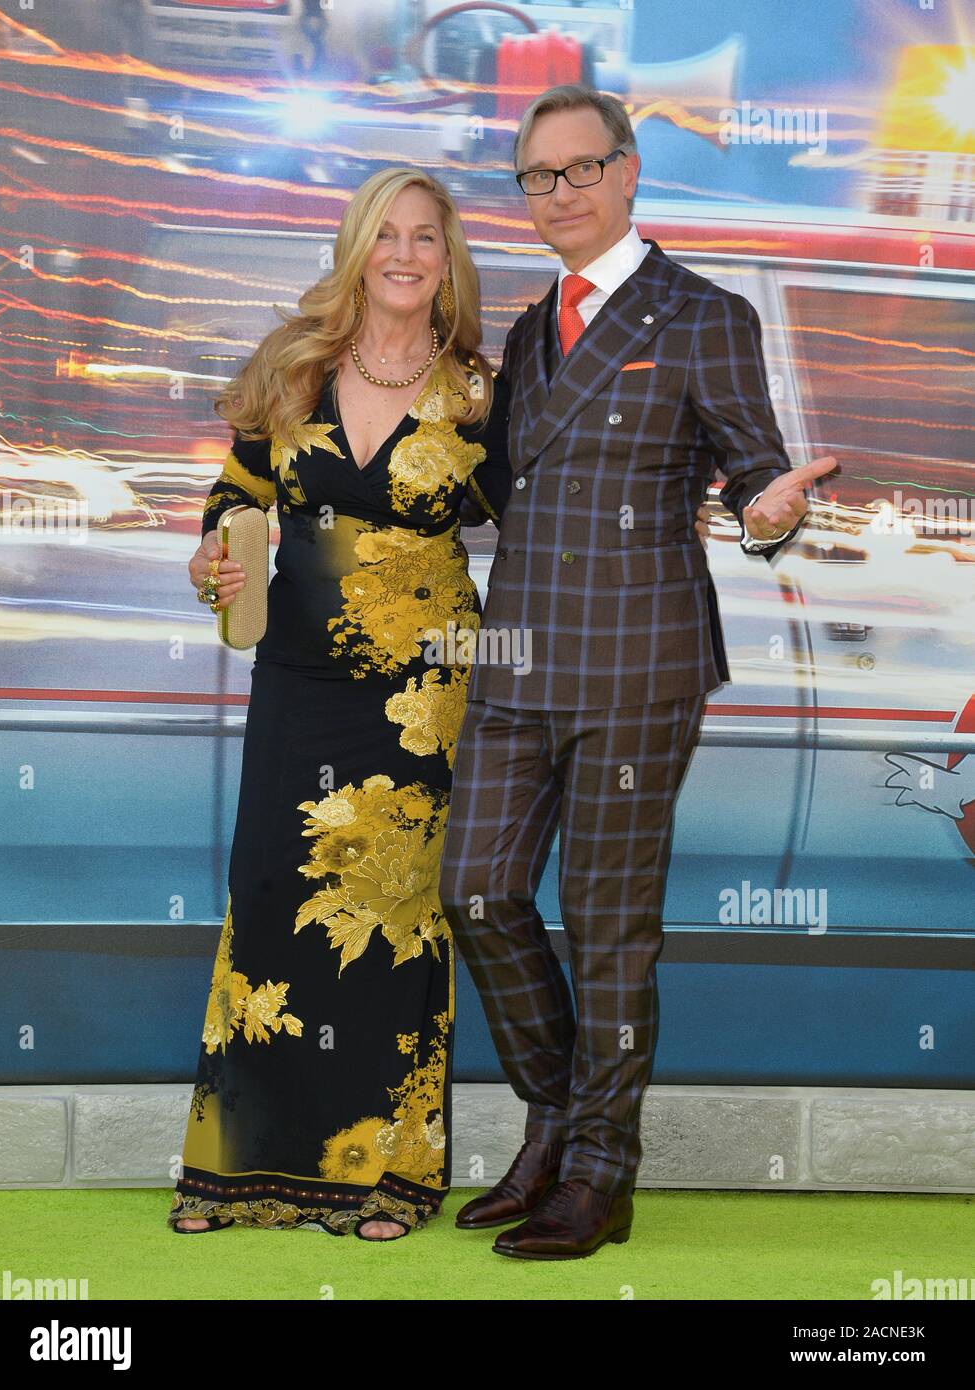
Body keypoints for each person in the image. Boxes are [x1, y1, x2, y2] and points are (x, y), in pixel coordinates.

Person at [169, 162, 714, 1243]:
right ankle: (238, 1170)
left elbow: (550, 509)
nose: (407, 255)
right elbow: (235, 493)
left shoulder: (479, 391)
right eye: (389, 235)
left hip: (421, 692)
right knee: (273, 900)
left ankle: (388, 1177)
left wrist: (666, 523)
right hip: (294, 676)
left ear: (446, 257)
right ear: (358, 247)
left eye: (428, 237)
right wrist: (208, 559)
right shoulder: (289, 365)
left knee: (400, 919)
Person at [439, 84, 837, 1260]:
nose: (556, 194)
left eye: (578, 169)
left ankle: (599, 1173)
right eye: (534, 176)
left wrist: (766, 516)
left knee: (607, 926)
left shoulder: (700, 314)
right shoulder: (523, 330)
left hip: (635, 659)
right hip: (515, 656)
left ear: (626, 172)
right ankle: (558, 1115)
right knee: (474, 889)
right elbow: (491, 499)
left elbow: (755, 481)